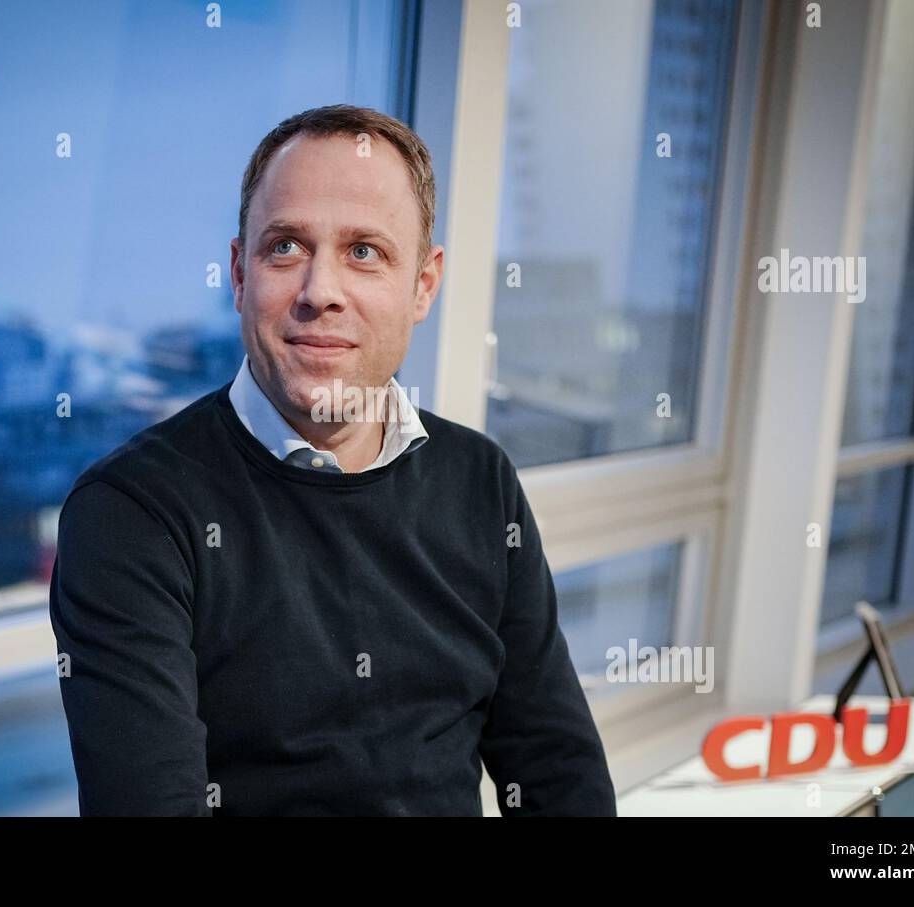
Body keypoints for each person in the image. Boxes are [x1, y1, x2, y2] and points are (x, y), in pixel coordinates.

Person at [49, 104, 616, 816]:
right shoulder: (133, 514)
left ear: (423, 286)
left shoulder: (480, 481)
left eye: (365, 252)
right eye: (285, 247)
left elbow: (559, 774)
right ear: (237, 272)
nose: (320, 291)